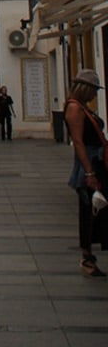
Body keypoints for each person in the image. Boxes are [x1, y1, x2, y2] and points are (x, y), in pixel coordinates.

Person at [64, 67, 108, 277]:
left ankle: (90, 256)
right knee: (88, 211)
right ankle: (87, 258)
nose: (95, 94)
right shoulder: (75, 108)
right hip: (88, 165)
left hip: (95, 162)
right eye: (93, 89)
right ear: (85, 88)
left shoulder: (81, 107)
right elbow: (79, 142)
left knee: (95, 209)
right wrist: (89, 173)